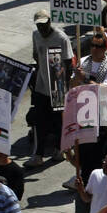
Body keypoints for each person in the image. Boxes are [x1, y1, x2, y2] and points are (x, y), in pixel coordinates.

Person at [29, 9, 74, 166]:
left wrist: (65, 87)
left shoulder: (61, 38)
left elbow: (68, 62)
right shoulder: (35, 35)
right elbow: (36, 54)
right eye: (38, 25)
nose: (41, 28)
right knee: (39, 120)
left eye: (43, 24)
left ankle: (59, 149)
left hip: (58, 84)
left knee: (58, 121)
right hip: (42, 84)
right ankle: (38, 154)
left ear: (49, 21)